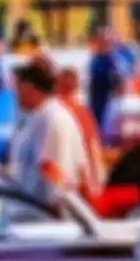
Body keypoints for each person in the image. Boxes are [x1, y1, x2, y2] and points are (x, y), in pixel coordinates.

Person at [7, 60, 91, 204]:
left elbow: (51, 169)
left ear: (28, 87)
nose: (15, 94)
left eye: (17, 88)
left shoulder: (47, 118)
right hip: (37, 209)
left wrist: (52, 209)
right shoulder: (47, 114)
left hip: (40, 214)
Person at [55, 68, 105, 197]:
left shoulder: (52, 112)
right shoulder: (81, 112)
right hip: (79, 182)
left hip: (62, 181)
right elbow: (92, 149)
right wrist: (96, 183)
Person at [87, 28, 120, 128]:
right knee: (95, 119)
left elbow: (116, 77)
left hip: (106, 96)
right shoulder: (95, 58)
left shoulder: (110, 59)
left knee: (105, 122)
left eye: (103, 42)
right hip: (95, 95)